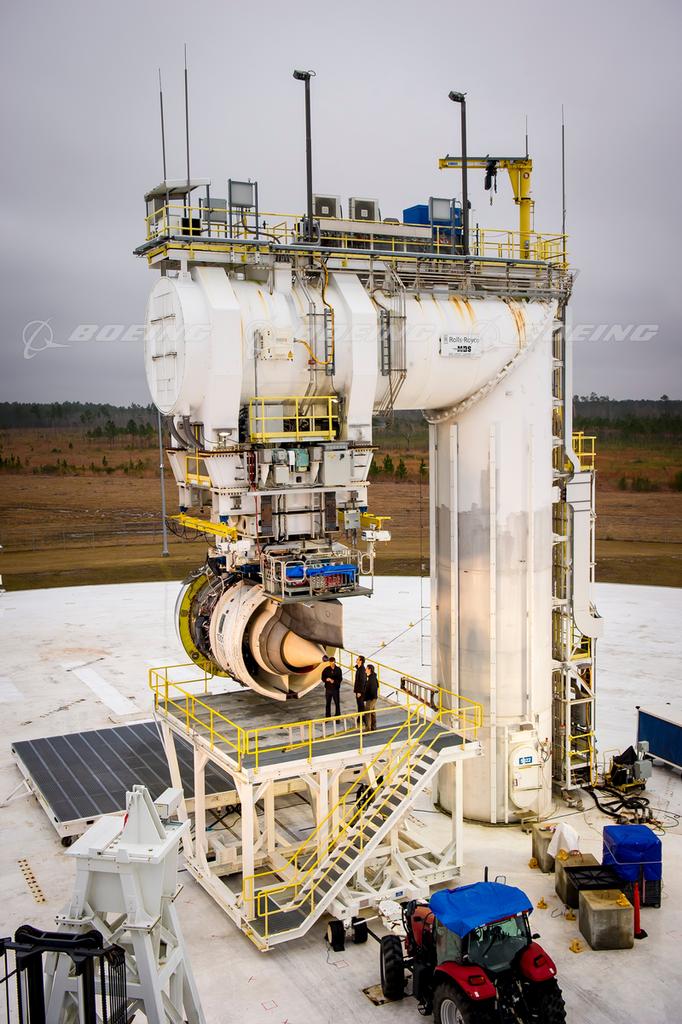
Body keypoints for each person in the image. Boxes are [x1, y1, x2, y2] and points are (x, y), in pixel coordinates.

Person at [364, 664, 379, 731]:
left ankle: (368, 728)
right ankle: (373, 726)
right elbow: (377, 686)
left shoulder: (371, 678)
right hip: (373, 697)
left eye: (366, 668)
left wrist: (370, 697)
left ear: (369, 669)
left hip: (370, 698)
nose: (365, 670)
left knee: (367, 713)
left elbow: (373, 688)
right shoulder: (372, 677)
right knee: (372, 712)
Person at [353, 655, 367, 726]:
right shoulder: (359, 669)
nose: (356, 660)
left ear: (361, 661)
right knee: (359, 705)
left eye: (358, 659)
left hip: (360, 691)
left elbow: (362, 681)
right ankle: (360, 718)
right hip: (358, 690)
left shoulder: (362, 670)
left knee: (361, 705)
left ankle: (363, 719)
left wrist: (359, 692)